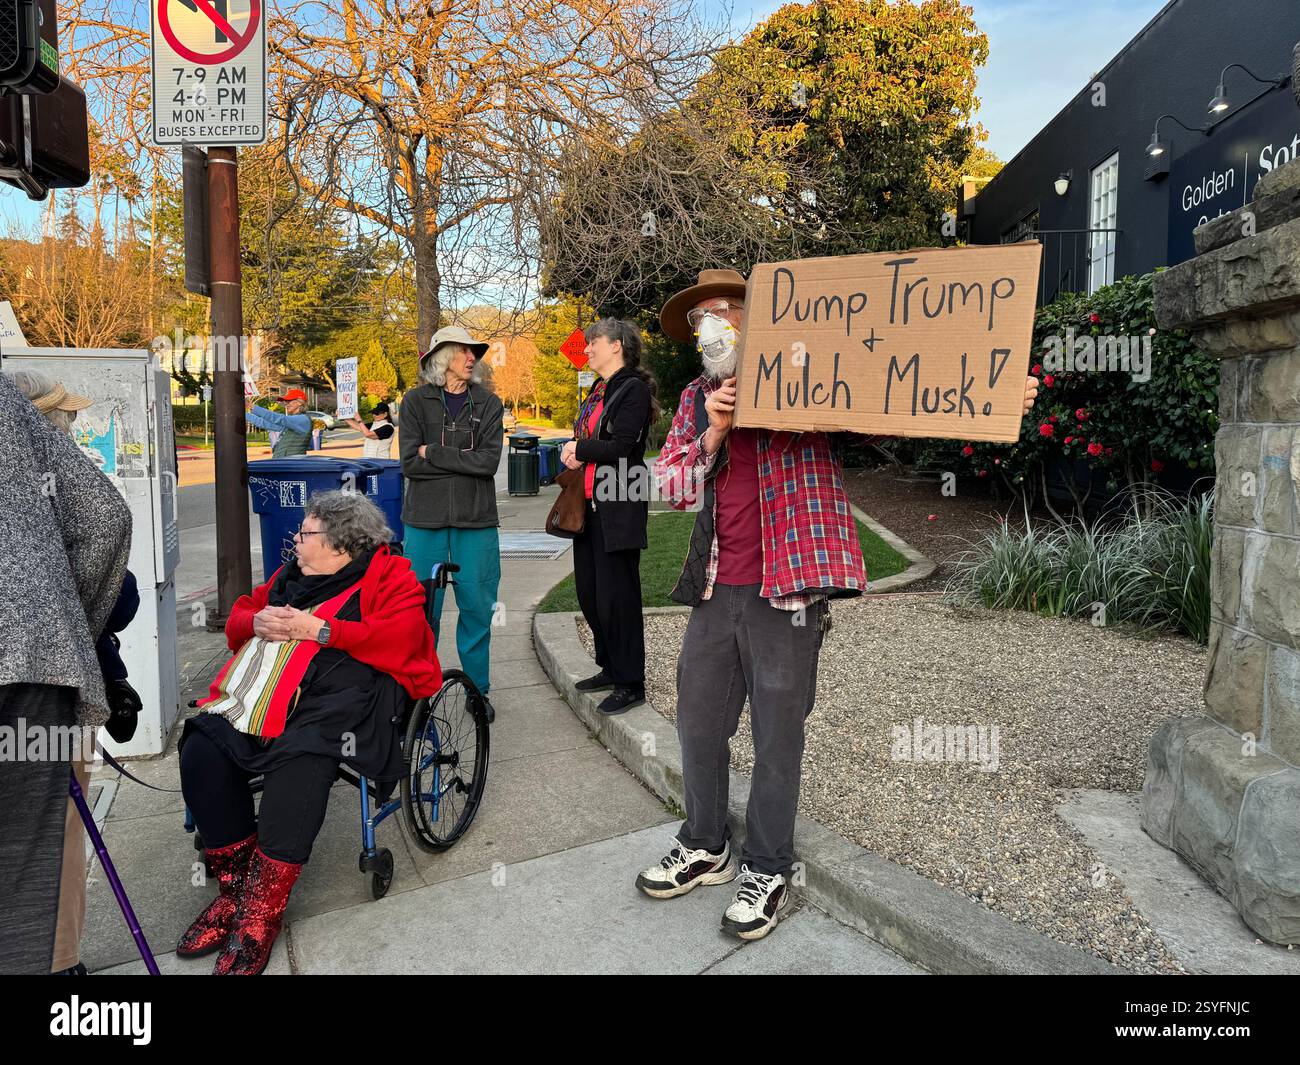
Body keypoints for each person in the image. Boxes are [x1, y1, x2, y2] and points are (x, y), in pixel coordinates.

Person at [639, 269, 1042, 941]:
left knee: (777, 733)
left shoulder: (810, 371)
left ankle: (767, 866)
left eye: (728, 310)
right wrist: (710, 433)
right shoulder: (692, 399)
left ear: (756, 316)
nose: (716, 324)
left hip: (788, 590)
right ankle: (706, 843)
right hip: (717, 586)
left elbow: (902, 393)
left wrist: (997, 391)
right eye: (705, 317)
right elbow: (672, 487)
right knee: (698, 722)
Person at [179, 490, 441, 976]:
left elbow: (401, 639)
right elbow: (239, 616)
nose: (295, 538)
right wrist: (255, 620)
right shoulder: (290, 577)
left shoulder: (391, 577)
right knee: (202, 744)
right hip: (272, 691)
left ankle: (261, 913)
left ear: (342, 545)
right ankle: (236, 891)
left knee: (300, 759)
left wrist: (320, 631)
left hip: (350, 698)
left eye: (306, 532)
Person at [6, 370, 142, 975]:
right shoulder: (32, 448)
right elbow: (107, 529)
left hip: (40, 667)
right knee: (46, 834)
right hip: (36, 674)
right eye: (63, 414)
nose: (72, 426)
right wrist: (68, 631)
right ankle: (56, 965)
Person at [399, 326, 504, 723]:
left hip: (476, 522)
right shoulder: (414, 402)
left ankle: (477, 691)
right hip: (424, 522)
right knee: (421, 609)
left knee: (477, 607)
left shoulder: (488, 403)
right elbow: (410, 463)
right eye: (464, 350)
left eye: (473, 351)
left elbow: (487, 464)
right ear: (442, 357)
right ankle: (417, 692)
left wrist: (435, 453)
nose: (472, 357)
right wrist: (462, 459)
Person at [559, 319, 657, 715]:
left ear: (616, 345)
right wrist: (574, 448)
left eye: (592, 343)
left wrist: (577, 447)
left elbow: (620, 446)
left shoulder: (632, 389)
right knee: (591, 593)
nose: (586, 350)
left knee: (618, 597)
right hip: (588, 508)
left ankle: (631, 681)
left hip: (618, 505)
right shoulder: (600, 389)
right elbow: (589, 438)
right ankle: (610, 667)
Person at [246, 388, 314, 457]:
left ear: (299, 402)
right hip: (283, 464)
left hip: (291, 464)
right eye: (285, 402)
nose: (285, 404)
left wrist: (250, 406)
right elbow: (263, 423)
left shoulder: (303, 419)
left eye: (288, 401)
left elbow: (279, 418)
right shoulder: (292, 422)